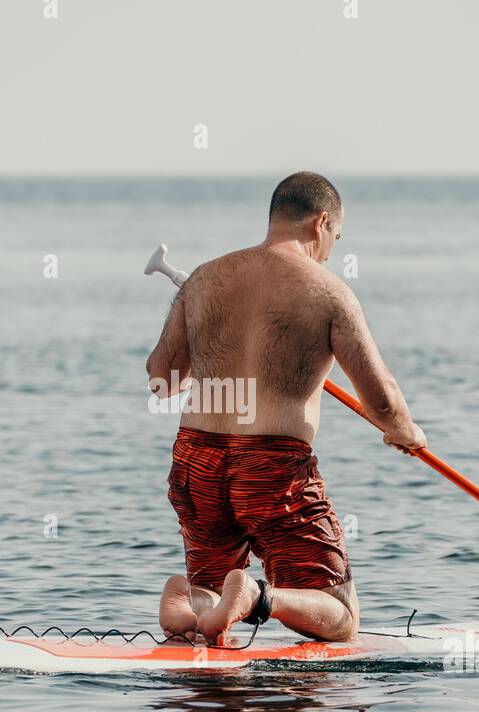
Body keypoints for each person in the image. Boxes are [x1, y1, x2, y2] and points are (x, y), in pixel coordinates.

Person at [146, 172, 425, 644]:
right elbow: (380, 399)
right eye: (336, 235)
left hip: (198, 458)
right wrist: (405, 430)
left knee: (212, 587)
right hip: (270, 467)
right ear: (321, 223)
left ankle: (194, 604)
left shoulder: (204, 279)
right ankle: (259, 598)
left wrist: (217, 344)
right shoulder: (329, 292)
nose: (333, 247)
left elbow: (163, 379)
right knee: (340, 615)